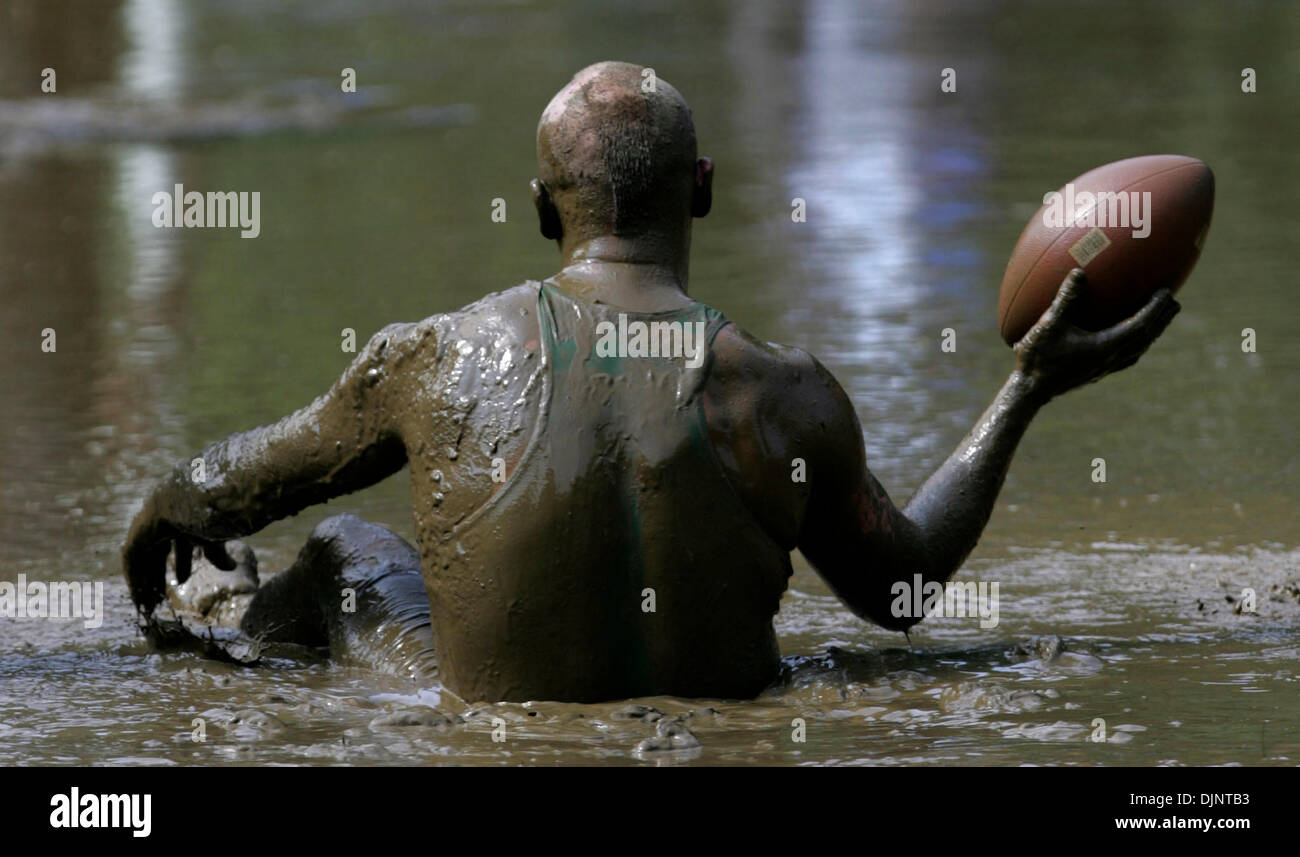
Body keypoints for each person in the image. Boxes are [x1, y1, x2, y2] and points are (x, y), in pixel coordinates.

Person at [122, 61, 1180, 703]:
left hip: (487, 713)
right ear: (704, 192)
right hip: (716, 702)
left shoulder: (432, 356)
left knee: (343, 546)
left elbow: (223, 487)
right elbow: (906, 585)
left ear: (542, 210)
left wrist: (161, 509)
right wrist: (1027, 386)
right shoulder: (784, 395)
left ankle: (231, 642)